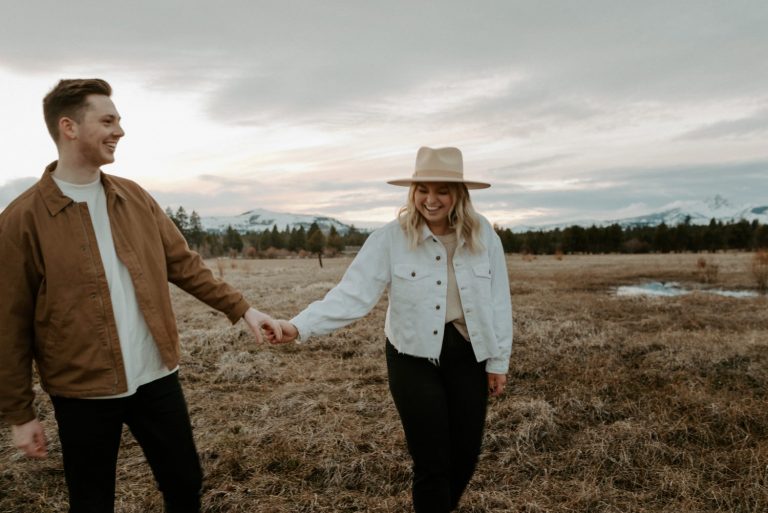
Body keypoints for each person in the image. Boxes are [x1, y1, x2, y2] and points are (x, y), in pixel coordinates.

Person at [0, 78, 281, 513]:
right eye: (108, 120)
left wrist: (242, 308)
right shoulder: (22, 220)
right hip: (82, 392)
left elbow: (183, 264)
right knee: (92, 502)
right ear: (69, 127)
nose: (120, 131)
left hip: (156, 377)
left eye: (120, 121)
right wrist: (20, 414)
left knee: (185, 484)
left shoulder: (133, 197)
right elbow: (9, 325)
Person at [271, 146, 513, 512]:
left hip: (468, 352)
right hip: (411, 356)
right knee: (432, 460)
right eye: (422, 190)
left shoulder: (483, 237)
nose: (430, 200)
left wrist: (498, 361)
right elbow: (353, 294)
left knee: (464, 456)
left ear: (459, 194)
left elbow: (498, 301)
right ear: (412, 192)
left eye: (442, 191)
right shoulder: (390, 238)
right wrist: (298, 326)